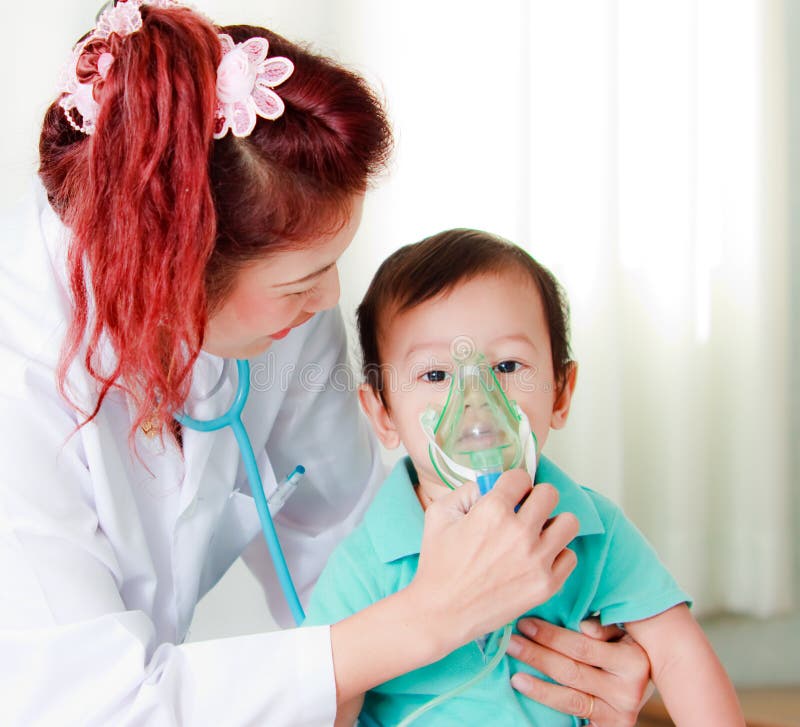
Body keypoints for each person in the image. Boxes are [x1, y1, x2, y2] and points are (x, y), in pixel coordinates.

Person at [0, 2, 653, 724]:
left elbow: (348, 541)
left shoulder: (283, 309)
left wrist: (560, 657)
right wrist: (430, 618)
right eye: (299, 283)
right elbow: (97, 704)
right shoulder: (17, 381)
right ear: (174, 272)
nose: (331, 298)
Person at [304, 229, 746, 726]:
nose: (475, 401)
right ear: (383, 413)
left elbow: (679, 656)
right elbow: (324, 701)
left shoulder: (593, 531)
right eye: (436, 376)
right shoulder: (365, 564)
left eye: (507, 365)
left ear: (560, 392)